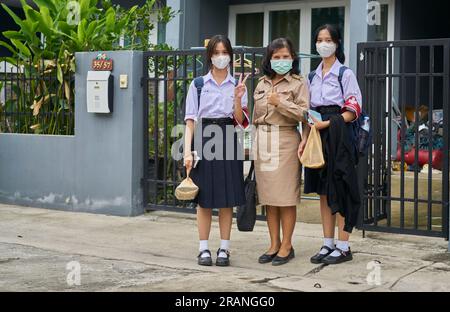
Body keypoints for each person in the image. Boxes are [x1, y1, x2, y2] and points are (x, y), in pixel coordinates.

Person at [184, 35, 250, 267]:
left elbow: (241, 121)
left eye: (225, 52)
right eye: (216, 52)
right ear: (210, 56)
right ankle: (203, 249)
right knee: (204, 199)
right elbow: (190, 120)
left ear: (230, 55)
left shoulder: (238, 85)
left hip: (230, 137)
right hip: (205, 139)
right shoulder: (198, 84)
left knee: (226, 198)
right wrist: (187, 151)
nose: (221, 57)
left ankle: (224, 248)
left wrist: (238, 98)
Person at [300, 24, 362, 265]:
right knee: (323, 191)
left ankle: (344, 246)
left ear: (337, 43)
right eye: (319, 39)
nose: (323, 43)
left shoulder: (345, 73)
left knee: (342, 186)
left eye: (328, 39)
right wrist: (304, 139)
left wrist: (329, 124)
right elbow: (308, 112)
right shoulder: (312, 76)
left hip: (339, 135)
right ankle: (328, 243)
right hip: (317, 136)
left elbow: (354, 109)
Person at [252, 38, 309, 266]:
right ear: (269, 59)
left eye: (285, 56)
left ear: (292, 58)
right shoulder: (261, 83)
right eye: (276, 57)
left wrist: (280, 103)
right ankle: (273, 243)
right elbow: (254, 115)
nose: (281, 60)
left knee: (285, 198)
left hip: (286, 139)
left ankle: (287, 245)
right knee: (269, 198)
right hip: (263, 140)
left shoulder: (298, 83)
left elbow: (306, 115)